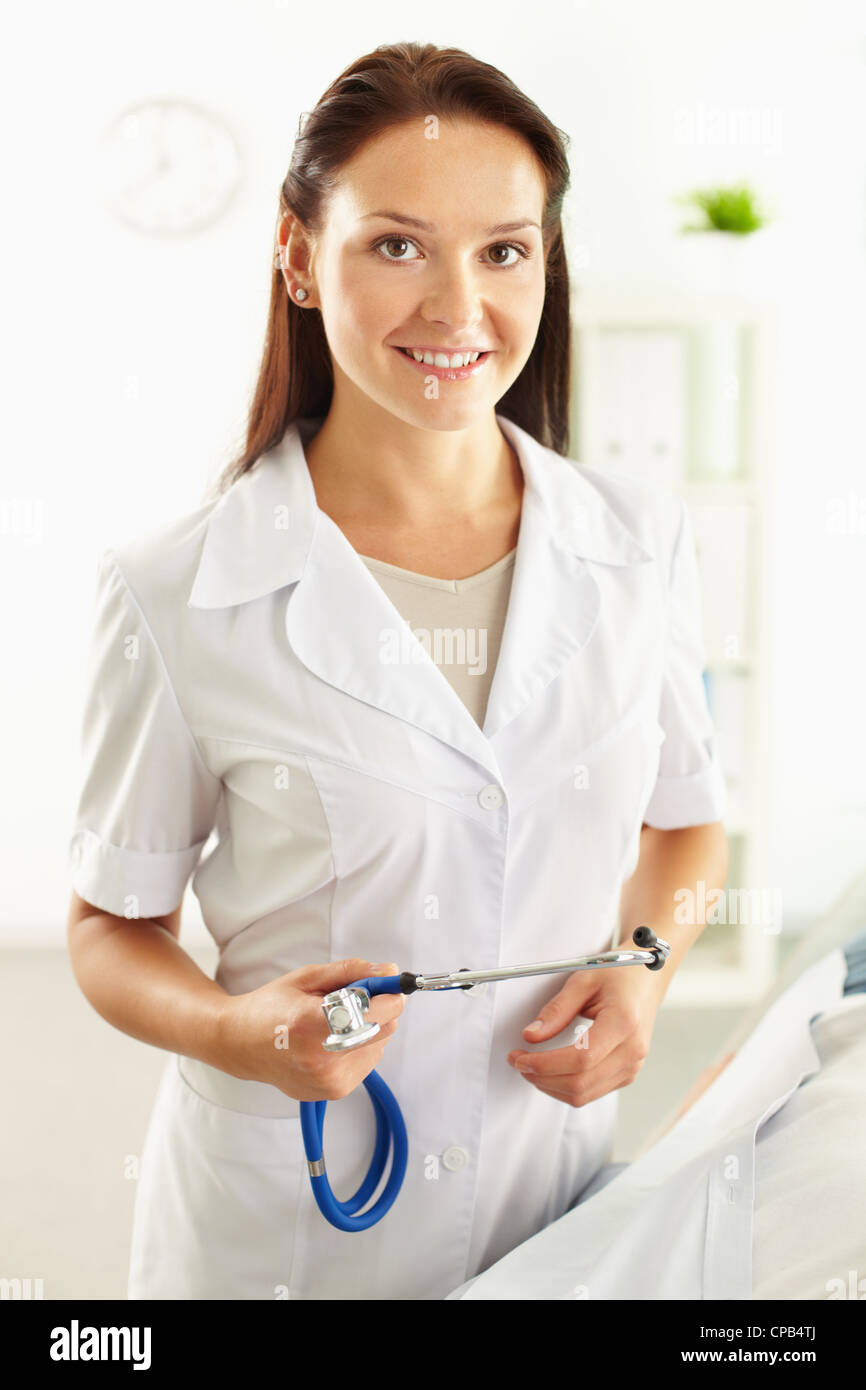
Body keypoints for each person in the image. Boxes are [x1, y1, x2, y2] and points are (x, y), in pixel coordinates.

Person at [66, 41, 728, 1301]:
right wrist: (236, 1032)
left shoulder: (638, 543)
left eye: (504, 250)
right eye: (396, 244)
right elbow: (109, 924)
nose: (458, 308)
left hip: (545, 1196)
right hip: (283, 1228)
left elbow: (687, 826)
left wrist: (644, 971)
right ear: (299, 256)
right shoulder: (173, 592)